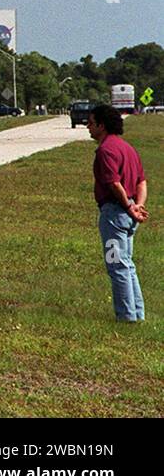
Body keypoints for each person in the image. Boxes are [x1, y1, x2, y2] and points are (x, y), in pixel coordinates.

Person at [87, 105, 148, 322]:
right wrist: (137, 205)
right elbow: (141, 181)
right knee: (127, 264)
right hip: (129, 214)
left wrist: (129, 206)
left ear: (101, 125)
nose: (88, 126)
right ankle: (137, 313)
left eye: (91, 122)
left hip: (115, 214)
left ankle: (126, 316)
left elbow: (113, 183)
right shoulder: (127, 148)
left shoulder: (106, 151)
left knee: (116, 266)